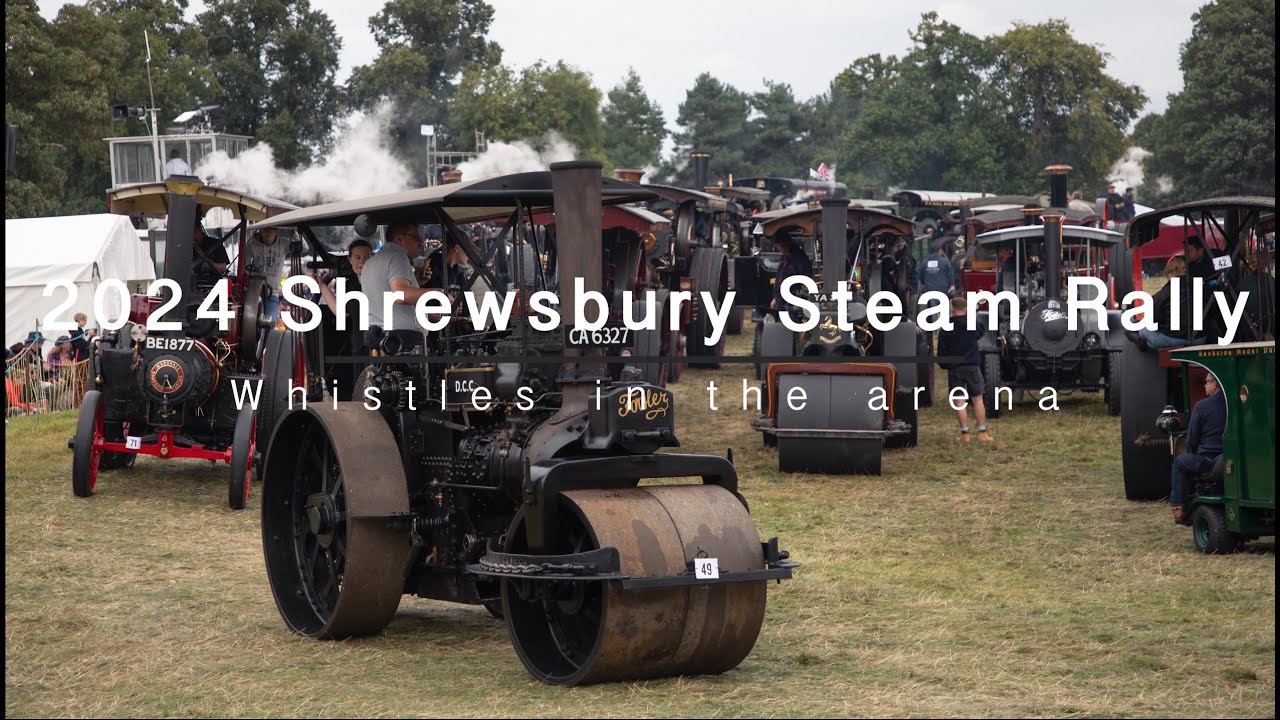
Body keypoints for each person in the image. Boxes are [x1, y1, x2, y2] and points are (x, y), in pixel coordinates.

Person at [361, 223, 438, 346]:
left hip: (378, 336)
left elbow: (384, 295)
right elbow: (400, 295)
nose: (421, 242)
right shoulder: (398, 256)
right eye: (416, 238)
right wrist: (439, 293)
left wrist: (415, 282)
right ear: (399, 239)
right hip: (402, 339)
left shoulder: (370, 262)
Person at [1170, 373, 1226, 523]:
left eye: (1206, 382)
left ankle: (1178, 505)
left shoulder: (1202, 406)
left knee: (1180, 463)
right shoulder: (1233, 404)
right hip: (1230, 459)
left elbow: (1192, 439)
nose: (1204, 385)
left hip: (1209, 461)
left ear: (1215, 384)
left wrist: (1193, 451)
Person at [937, 296, 992, 443]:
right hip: (972, 366)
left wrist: (945, 365)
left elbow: (942, 350)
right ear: (965, 308)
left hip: (955, 368)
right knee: (978, 399)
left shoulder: (946, 326)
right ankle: (982, 432)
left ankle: (965, 434)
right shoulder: (972, 324)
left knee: (959, 401)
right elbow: (981, 331)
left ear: (952, 309)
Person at [1135, 255, 1205, 349]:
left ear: (1170, 275)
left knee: (1143, 330)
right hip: (1199, 338)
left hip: (1172, 339)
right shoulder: (1202, 288)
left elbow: (1152, 319)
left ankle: (1149, 349)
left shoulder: (1163, 294)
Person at [244, 228, 289, 323]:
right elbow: (245, 268)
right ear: (260, 230)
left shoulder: (284, 243)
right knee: (251, 322)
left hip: (273, 292)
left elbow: (304, 248)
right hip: (255, 291)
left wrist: (294, 232)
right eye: (264, 230)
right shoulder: (251, 246)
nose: (267, 233)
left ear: (277, 231)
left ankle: (267, 337)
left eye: (270, 230)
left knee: (270, 321)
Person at [316, 239, 373, 315]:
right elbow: (341, 312)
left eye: (367, 257)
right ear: (350, 260)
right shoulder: (348, 285)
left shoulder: (381, 282)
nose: (362, 261)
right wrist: (322, 285)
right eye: (358, 257)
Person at [769, 230, 813, 315]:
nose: (779, 249)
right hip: (782, 300)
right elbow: (779, 278)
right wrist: (776, 298)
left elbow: (806, 277)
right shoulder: (783, 258)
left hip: (794, 300)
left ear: (786, 246)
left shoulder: (800, 259)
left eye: (780, 246)